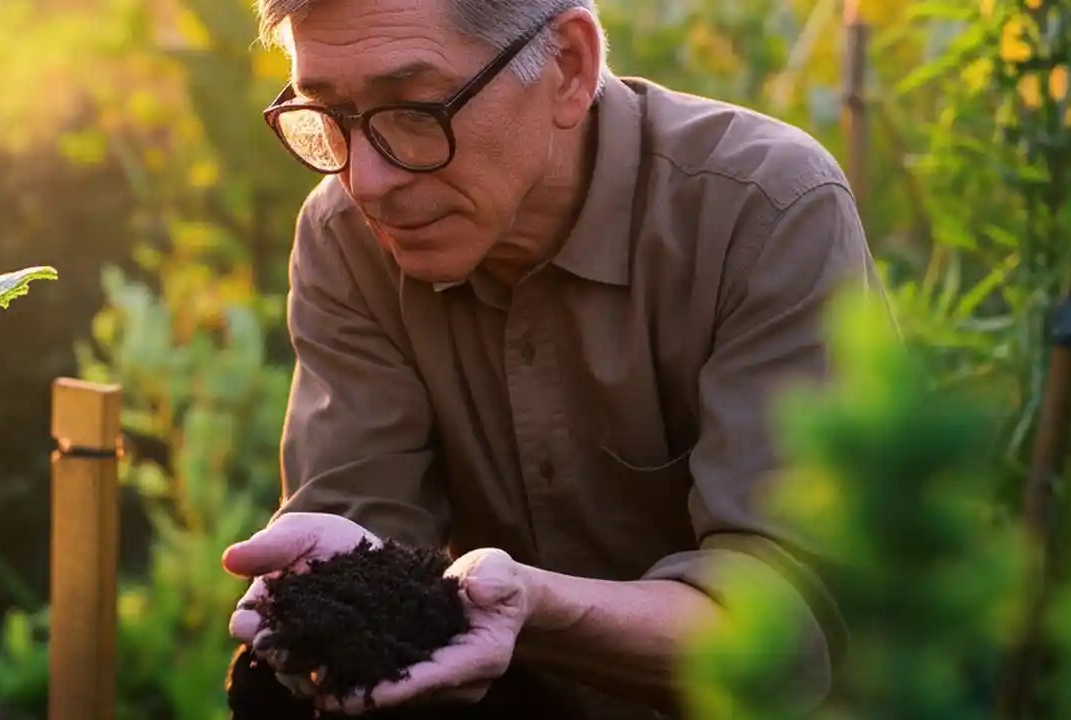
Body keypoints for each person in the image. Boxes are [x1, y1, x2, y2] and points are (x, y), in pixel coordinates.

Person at [222, 1, 882, 717]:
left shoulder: (763, 212)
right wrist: (331, 590)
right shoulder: (347, 240)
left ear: (569, 66)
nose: (367, 181)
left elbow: (787, 622)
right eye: (328, 115)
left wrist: (531, 606)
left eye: (413, 110)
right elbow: (364, 539)